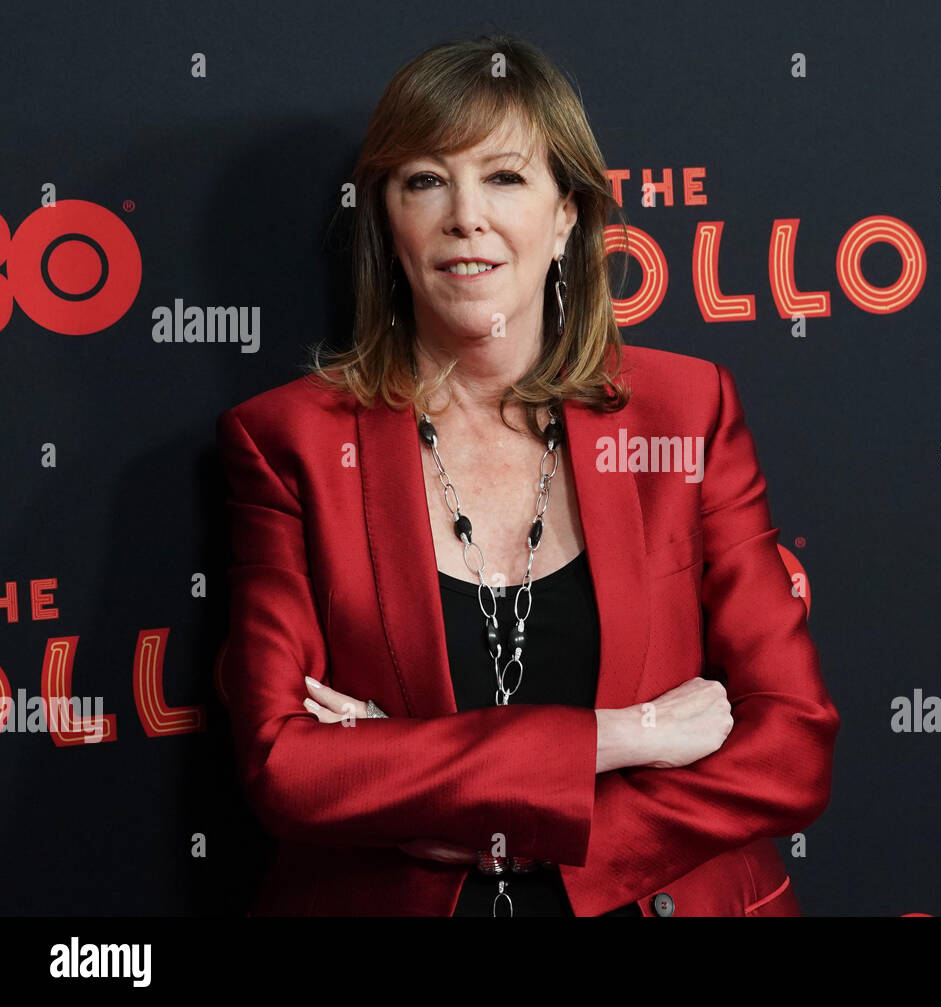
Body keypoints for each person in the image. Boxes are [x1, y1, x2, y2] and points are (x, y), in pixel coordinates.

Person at [214, 33, 839, 917]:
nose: (465, 214)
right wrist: (622, 738)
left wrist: (462, 800)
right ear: (387, 222)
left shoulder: (685, 411)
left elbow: (792, 745)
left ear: (568, 215)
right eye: (425, 180)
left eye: (505, 177)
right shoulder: (289, 442)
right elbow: (286, 767)